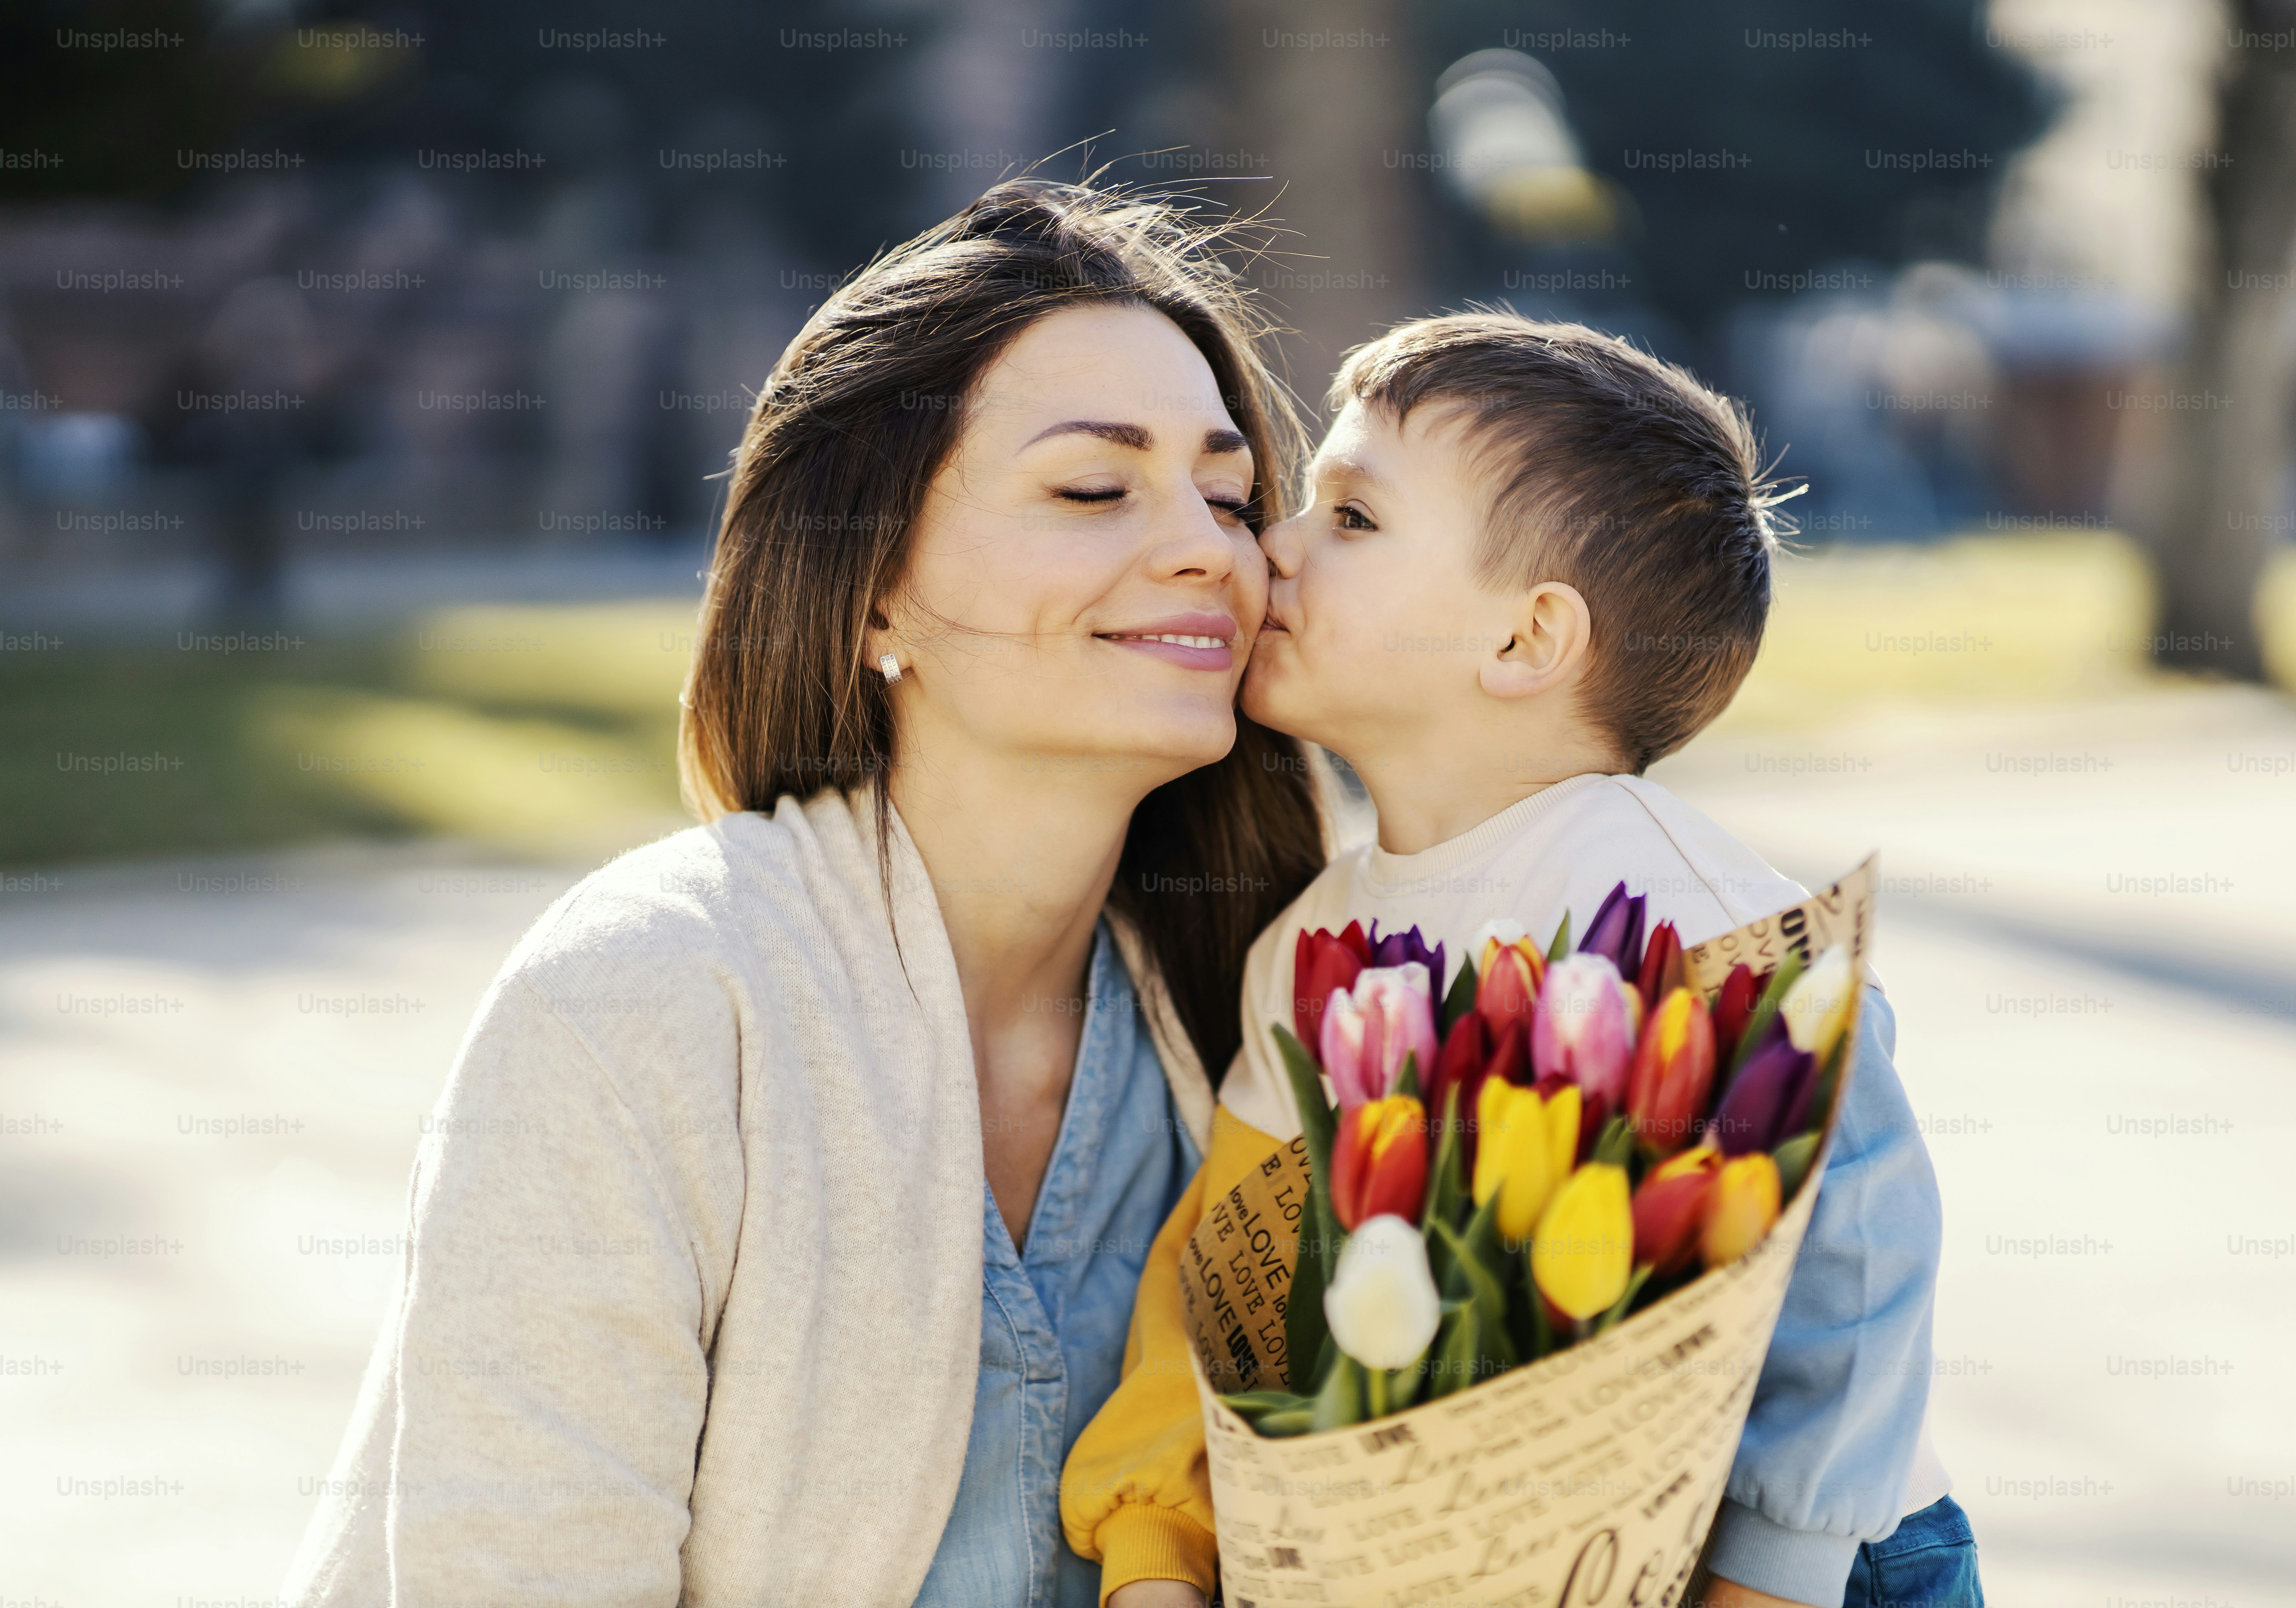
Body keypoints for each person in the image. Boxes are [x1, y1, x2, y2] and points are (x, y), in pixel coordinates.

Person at [282, 179, 1328, 1608]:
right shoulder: (643, 997)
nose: (1213, 547)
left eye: (1229, 491)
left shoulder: (1267, 1021)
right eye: (1095, 486)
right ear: (872, 587)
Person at [1065, 313, 1981, 1608]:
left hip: (1798, 1565)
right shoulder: (1308, 956)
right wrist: (1165, 1550)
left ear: (1525, 642)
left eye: (1354, 519)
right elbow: (1230, 1289)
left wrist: (1776, 1571)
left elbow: (1861, 1254)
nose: (1271, 544)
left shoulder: (1683, 913)